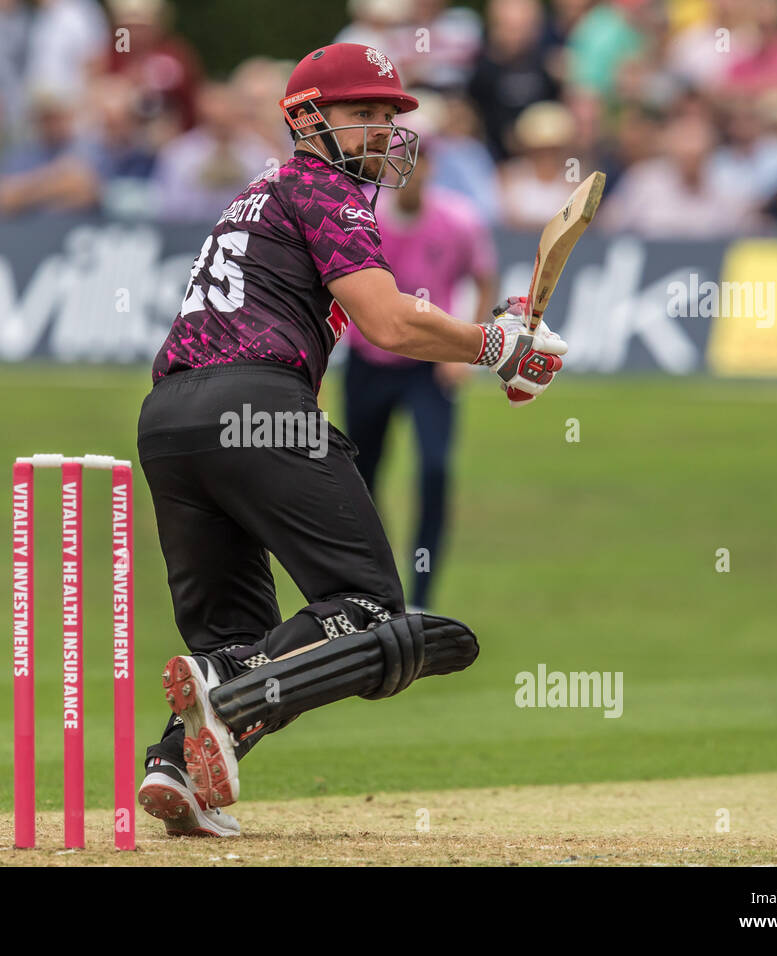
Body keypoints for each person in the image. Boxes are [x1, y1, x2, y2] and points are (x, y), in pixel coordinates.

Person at [134, 42, 568, 837]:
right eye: (363, 114)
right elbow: (390, 321)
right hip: (254, 400)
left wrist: (488, 338)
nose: (383, 130)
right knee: (366, 609)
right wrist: (499, 346)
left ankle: (176, 769)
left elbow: (367, 329)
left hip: (170, 422)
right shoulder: (323, 186)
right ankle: (229, 685)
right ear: (305, 119)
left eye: (389, 116)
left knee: (238, 637)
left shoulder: (258, 195)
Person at [342, 115, 497, 613]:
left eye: (421, 159)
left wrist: (468, 353)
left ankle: (422, 596)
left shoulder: (459, 220)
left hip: (429, 367)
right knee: (362, 479)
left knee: (434, 469)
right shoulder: (365, 218)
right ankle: (374, 591)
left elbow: (485, 278)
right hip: (370, 362)